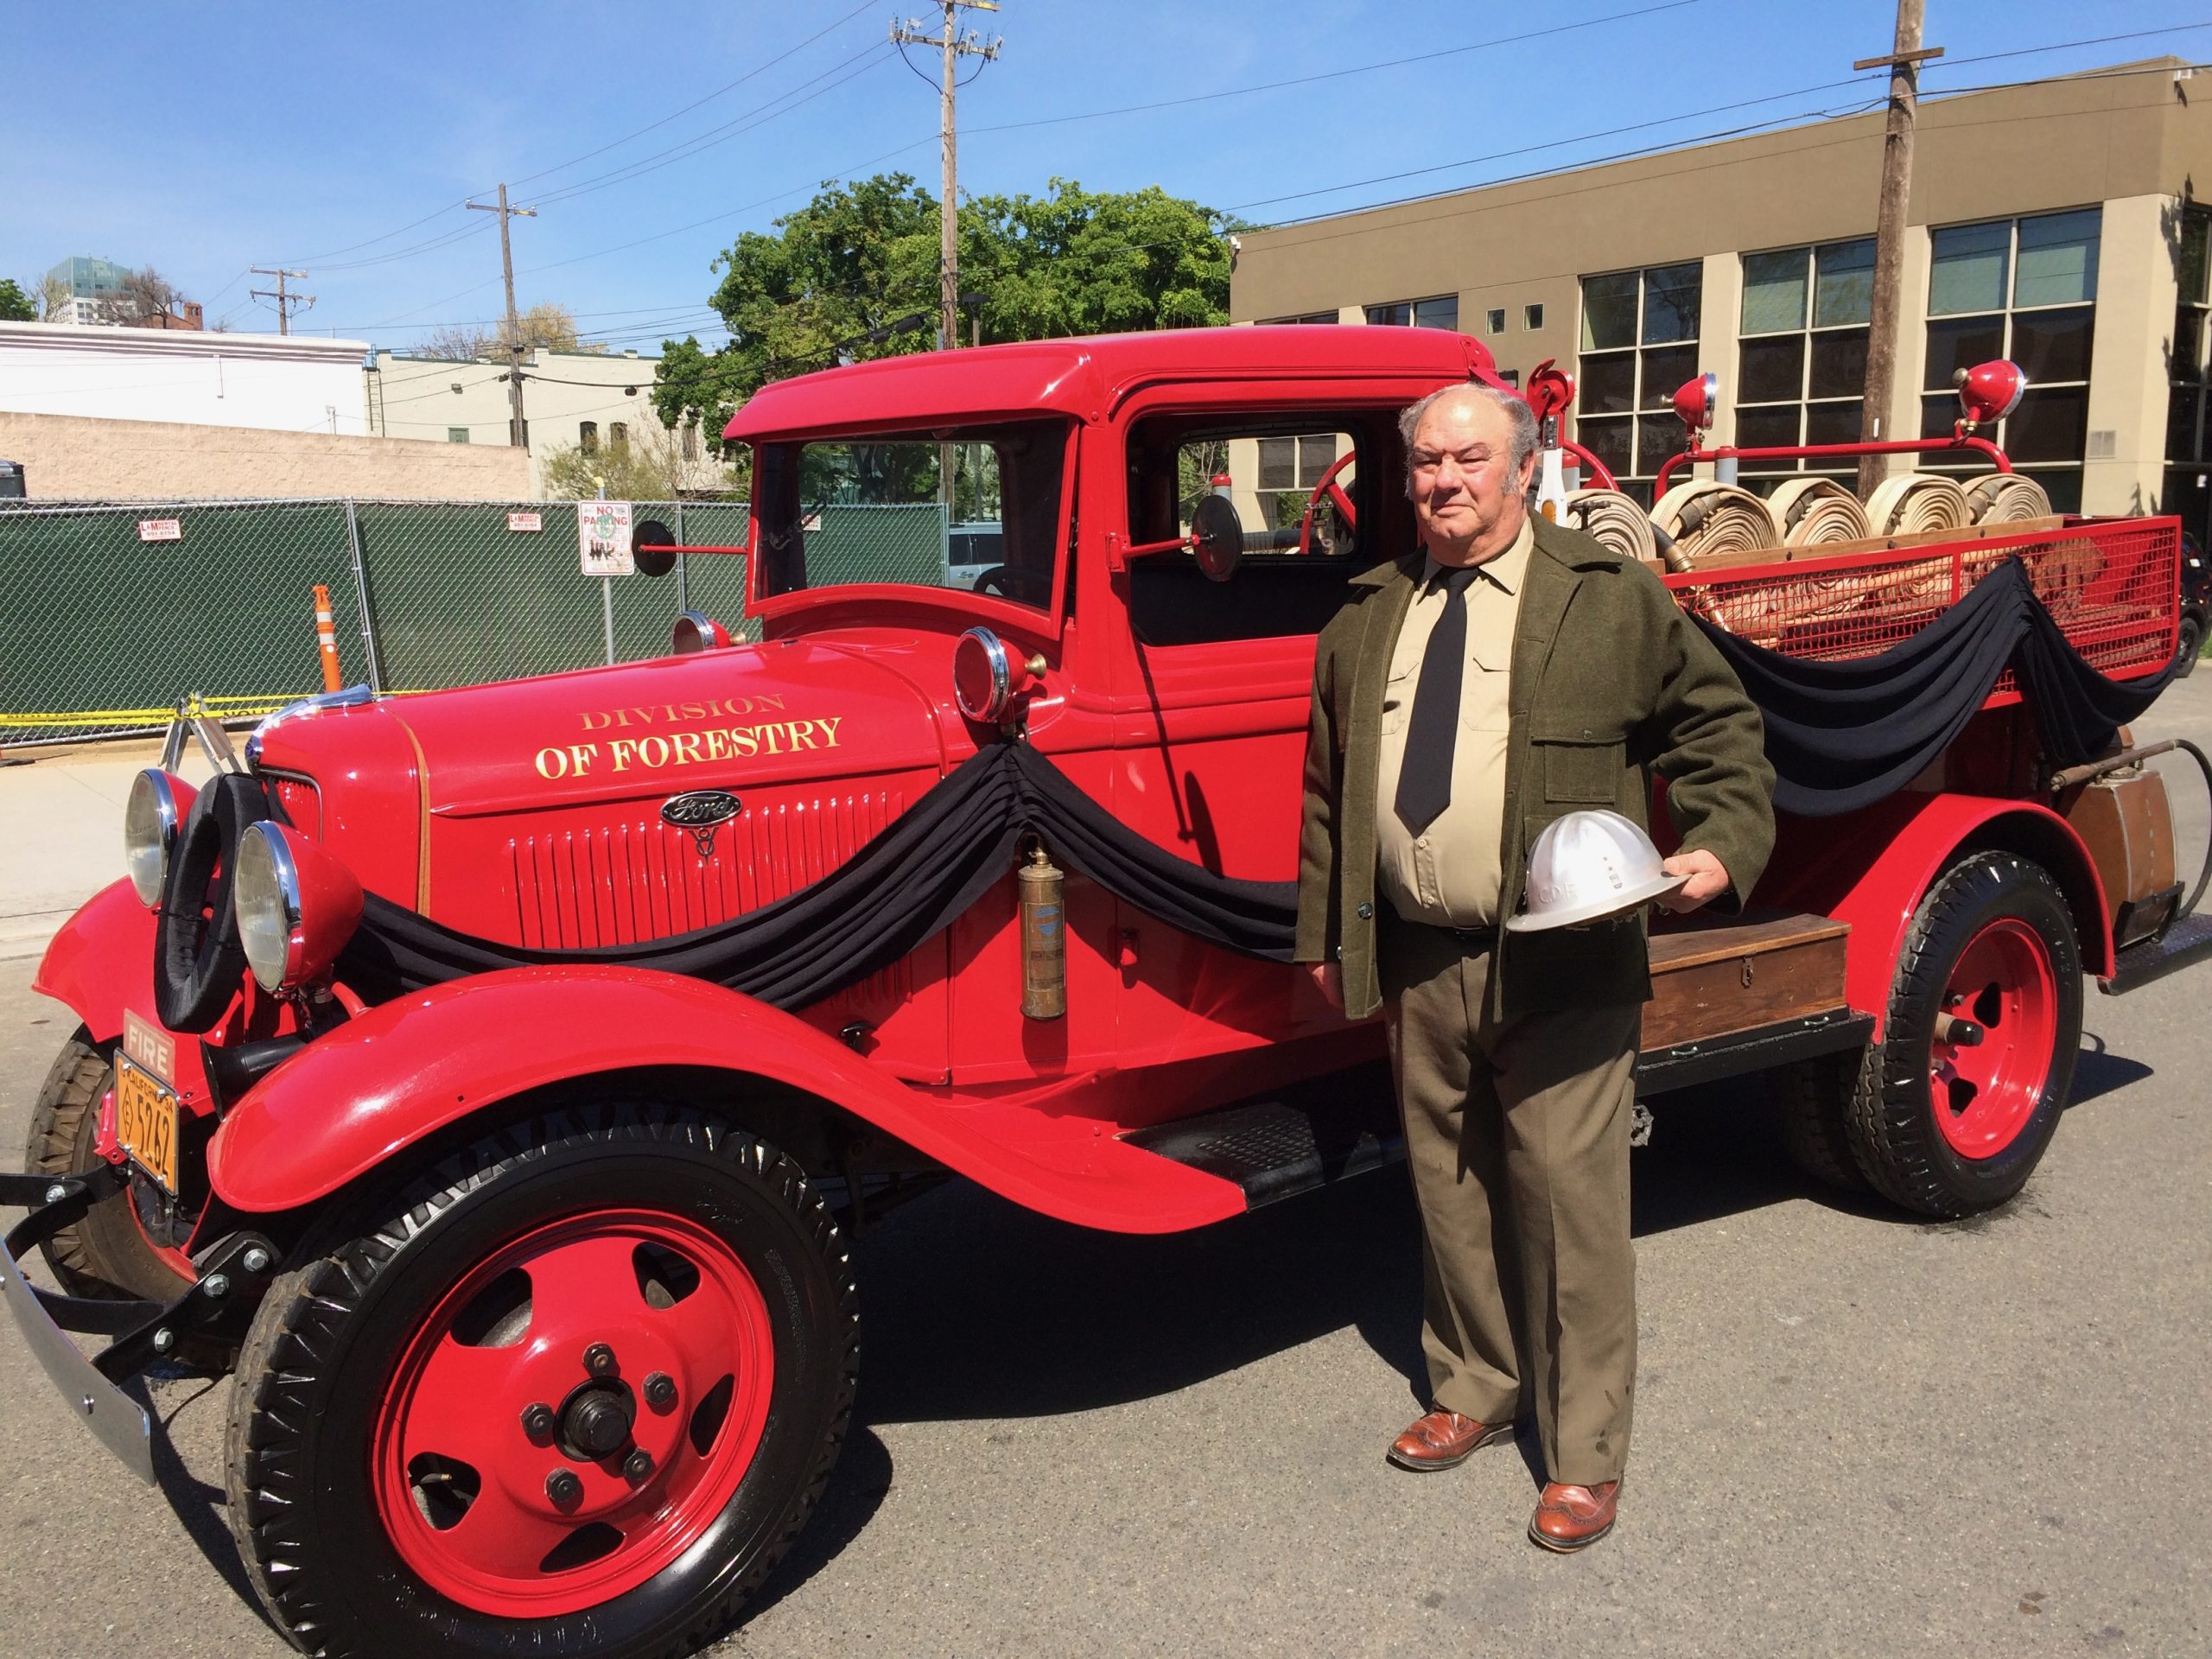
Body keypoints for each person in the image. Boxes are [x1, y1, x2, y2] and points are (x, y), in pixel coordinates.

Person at [1294, 382, 1774, 1551]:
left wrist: (1719, 843)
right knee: (1447, 1186)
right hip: (1418, 952)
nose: (1445, 480)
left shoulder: (1606, 597)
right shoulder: (1368, 614)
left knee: (1568, 1202)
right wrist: (1325, 939)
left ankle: (1585, 1451)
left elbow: (1717, 725)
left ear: (1523, 469)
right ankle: (1476, 1383)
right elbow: (1325, 793)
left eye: (1470, 459)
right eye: (1427, 462)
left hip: (1562, 957)